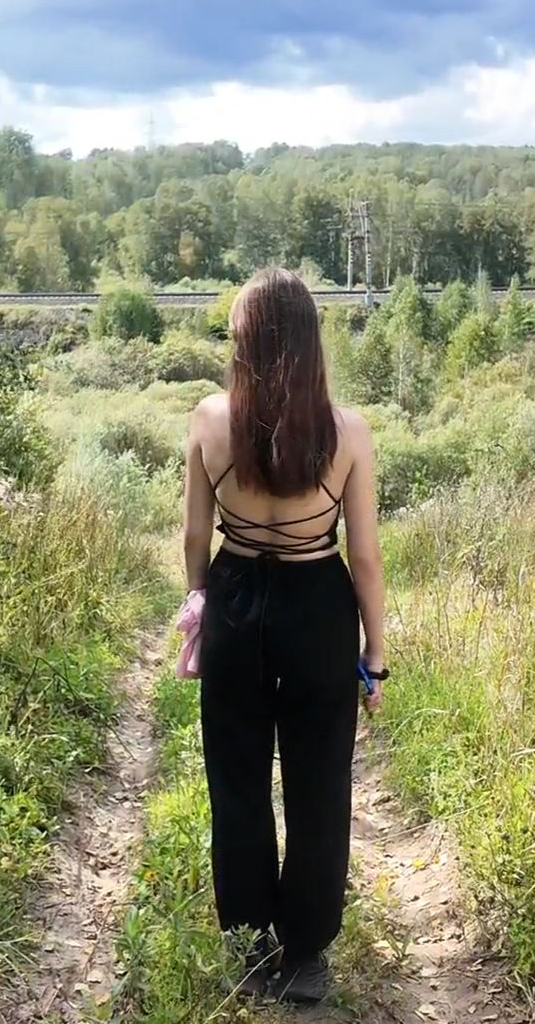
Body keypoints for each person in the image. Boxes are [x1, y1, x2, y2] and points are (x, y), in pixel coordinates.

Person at [179, 266, 386, 1004]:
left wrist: (200, 605)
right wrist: (375, 654)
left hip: (236, 598)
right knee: (319, 780)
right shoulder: (347, 432)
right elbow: (364, 557)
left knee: (236, 776)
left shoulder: (209, 420)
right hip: (318, 604)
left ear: (244, 339)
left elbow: (195, 538)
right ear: (309, 339)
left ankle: (248, 935)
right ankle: (305, 954)